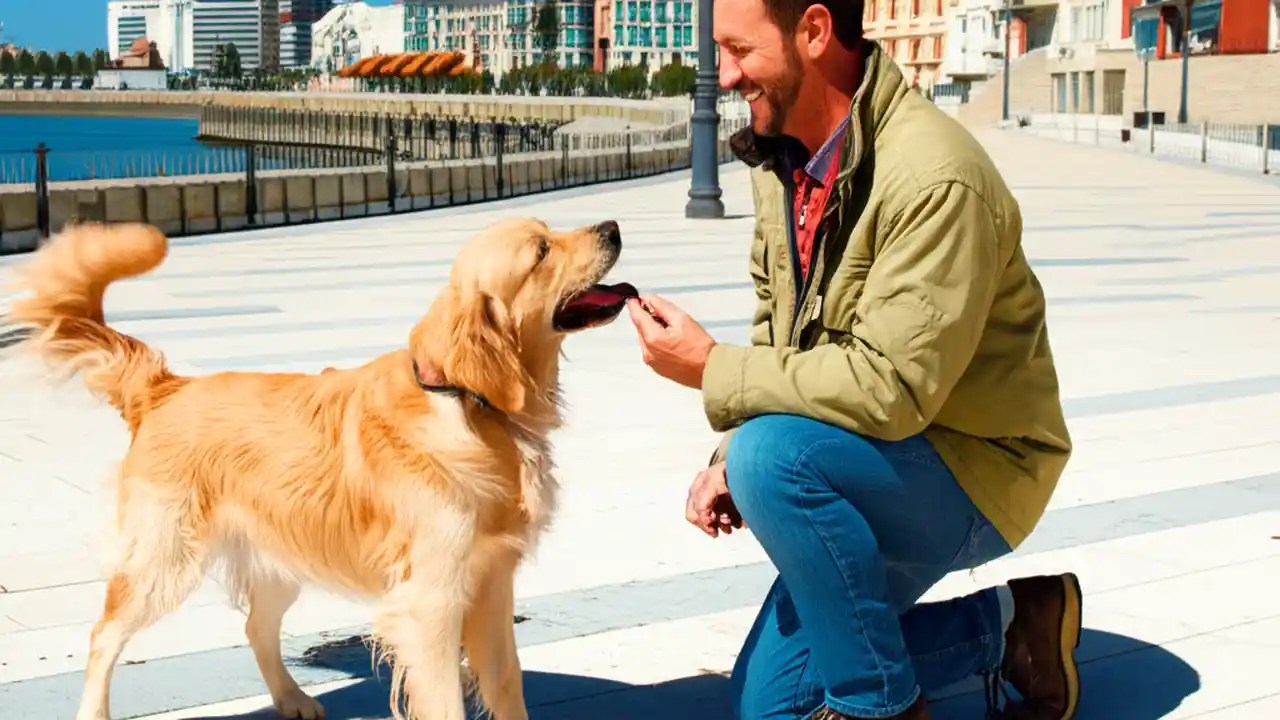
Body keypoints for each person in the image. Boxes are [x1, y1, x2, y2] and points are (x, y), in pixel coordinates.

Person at [625, 1, 1081, 719]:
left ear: (813, 32)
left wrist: (714, 371)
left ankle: (881, 706)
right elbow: (780, 333)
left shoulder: (936, 177)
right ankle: (1015, 626)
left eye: (739, 49)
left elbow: (891, 387)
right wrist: (727, 451)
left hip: (978, 466)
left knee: (775, 459)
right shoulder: (782, 159)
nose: (725, 73)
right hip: (877, 450)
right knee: (765, 705)